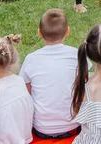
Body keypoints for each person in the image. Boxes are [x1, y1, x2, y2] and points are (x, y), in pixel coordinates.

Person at [19, 9, 82, 139]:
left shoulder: (31, 59)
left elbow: (26, 93)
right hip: (74, 127)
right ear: (68, 31)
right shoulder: (77, 55)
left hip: (41, 129)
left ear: (39, 33)